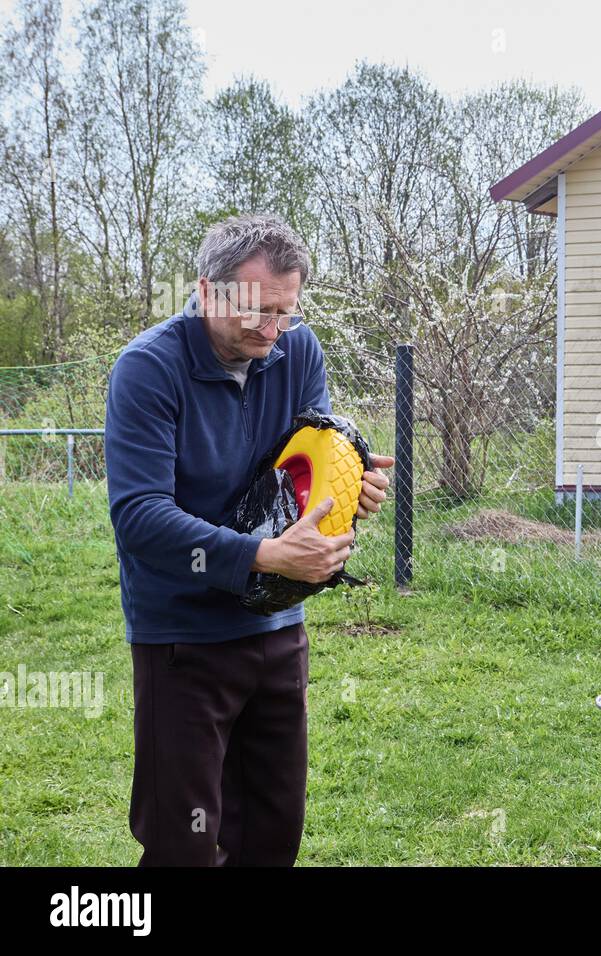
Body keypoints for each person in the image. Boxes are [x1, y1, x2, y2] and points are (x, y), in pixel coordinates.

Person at [104, 213, 395, 866]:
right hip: (182, 640)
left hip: (275, 629)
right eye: (260, 312)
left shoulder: (297, 349)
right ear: (208, 292)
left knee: (272, 834)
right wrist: (261, 555)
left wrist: (352, 492)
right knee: (183, 845)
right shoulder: (147, 370)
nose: (273, 331)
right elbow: (140, 517)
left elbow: (305, 465)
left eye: (286, 313)